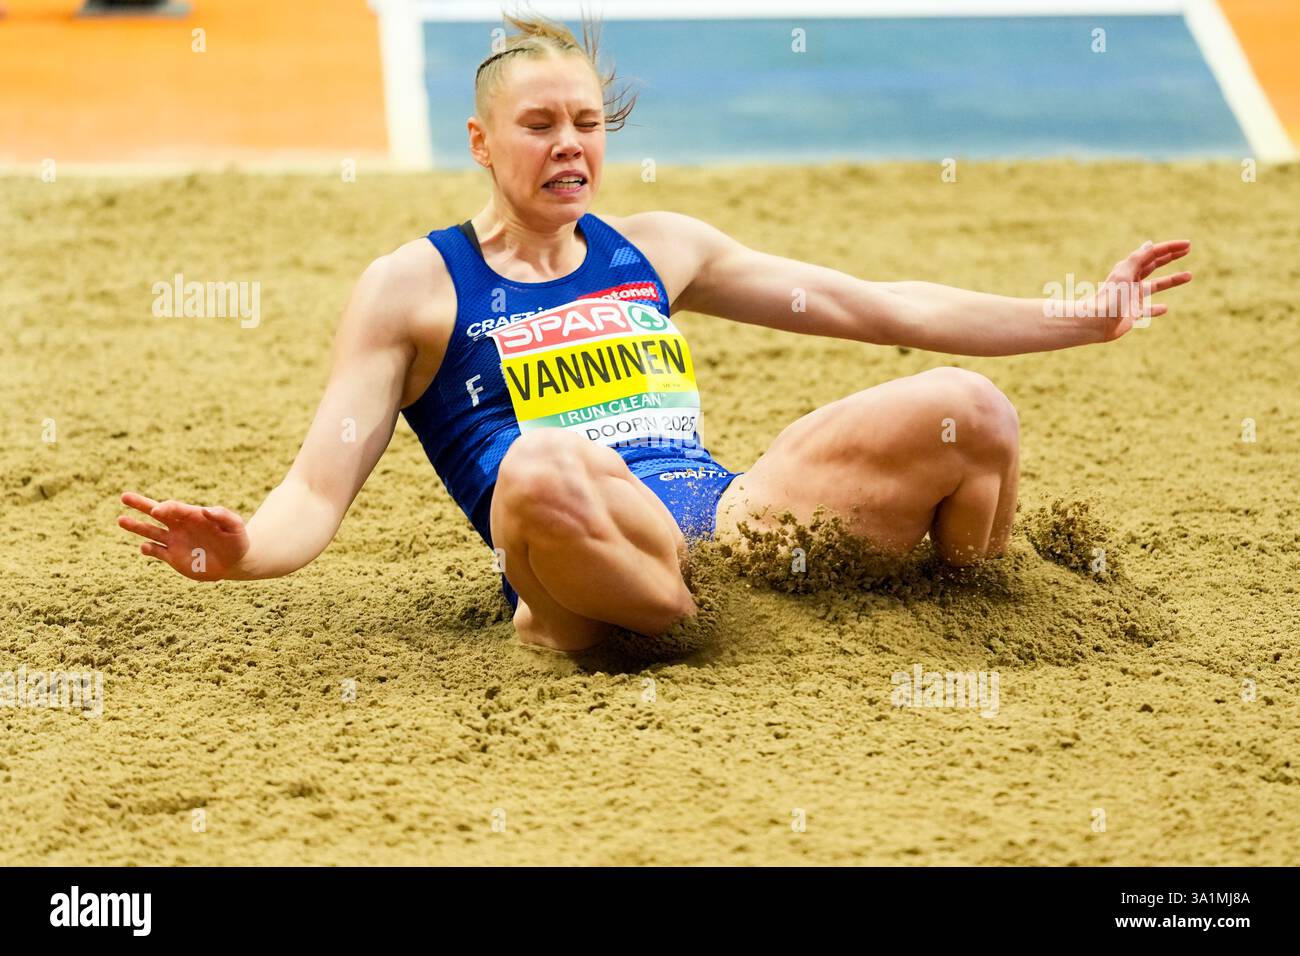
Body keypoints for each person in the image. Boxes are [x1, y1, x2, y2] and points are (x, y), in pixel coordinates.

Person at [119, 13, 1192, 653]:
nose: (570, 144)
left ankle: (968, 614)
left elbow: (882, 306)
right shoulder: (412, 288)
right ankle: (641, 621)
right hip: (577, 549)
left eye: (586, 122)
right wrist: (246, 550)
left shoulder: (660, 249)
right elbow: (315, 490)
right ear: (482, 143)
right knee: (540, 463)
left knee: (970, 412)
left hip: (727, 522)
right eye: (540, 125)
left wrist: (1081, 318)